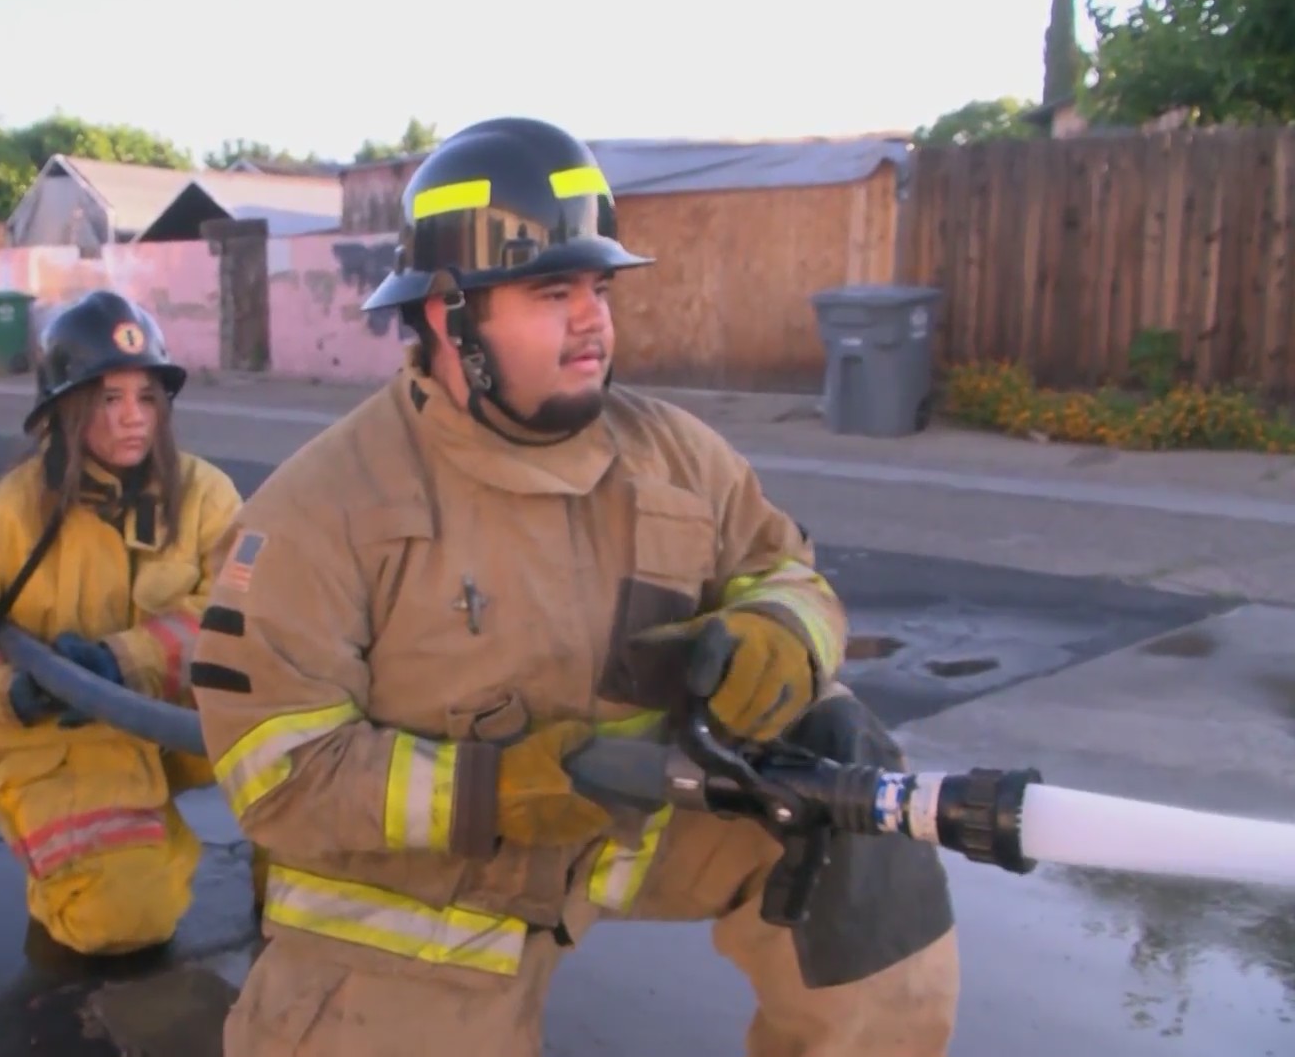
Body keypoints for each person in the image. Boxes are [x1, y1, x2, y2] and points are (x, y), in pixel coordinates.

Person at [189, 117, 960, 1057]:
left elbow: (785, 568)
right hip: (420, 896)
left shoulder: (674, 452)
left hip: (640, 828)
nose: (595, 318)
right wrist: (491, 791)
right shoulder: (321, 511)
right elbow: (278, 774)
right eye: (554, 290)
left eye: (600, 287)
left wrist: (783, 634)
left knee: (852, 815)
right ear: (448, 315)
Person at [0, 289, 250, 957]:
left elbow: (245, 607)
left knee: (311, 774)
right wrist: (6, 690)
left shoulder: (205, 495)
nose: (134, 420)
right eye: (109, 400)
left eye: (148, 398)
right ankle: (89, 855)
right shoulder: (4, 516)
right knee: (124, 923)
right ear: (67, 411)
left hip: (182, 717)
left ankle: (284, 897)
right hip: (62, 736)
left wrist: (124, 660)